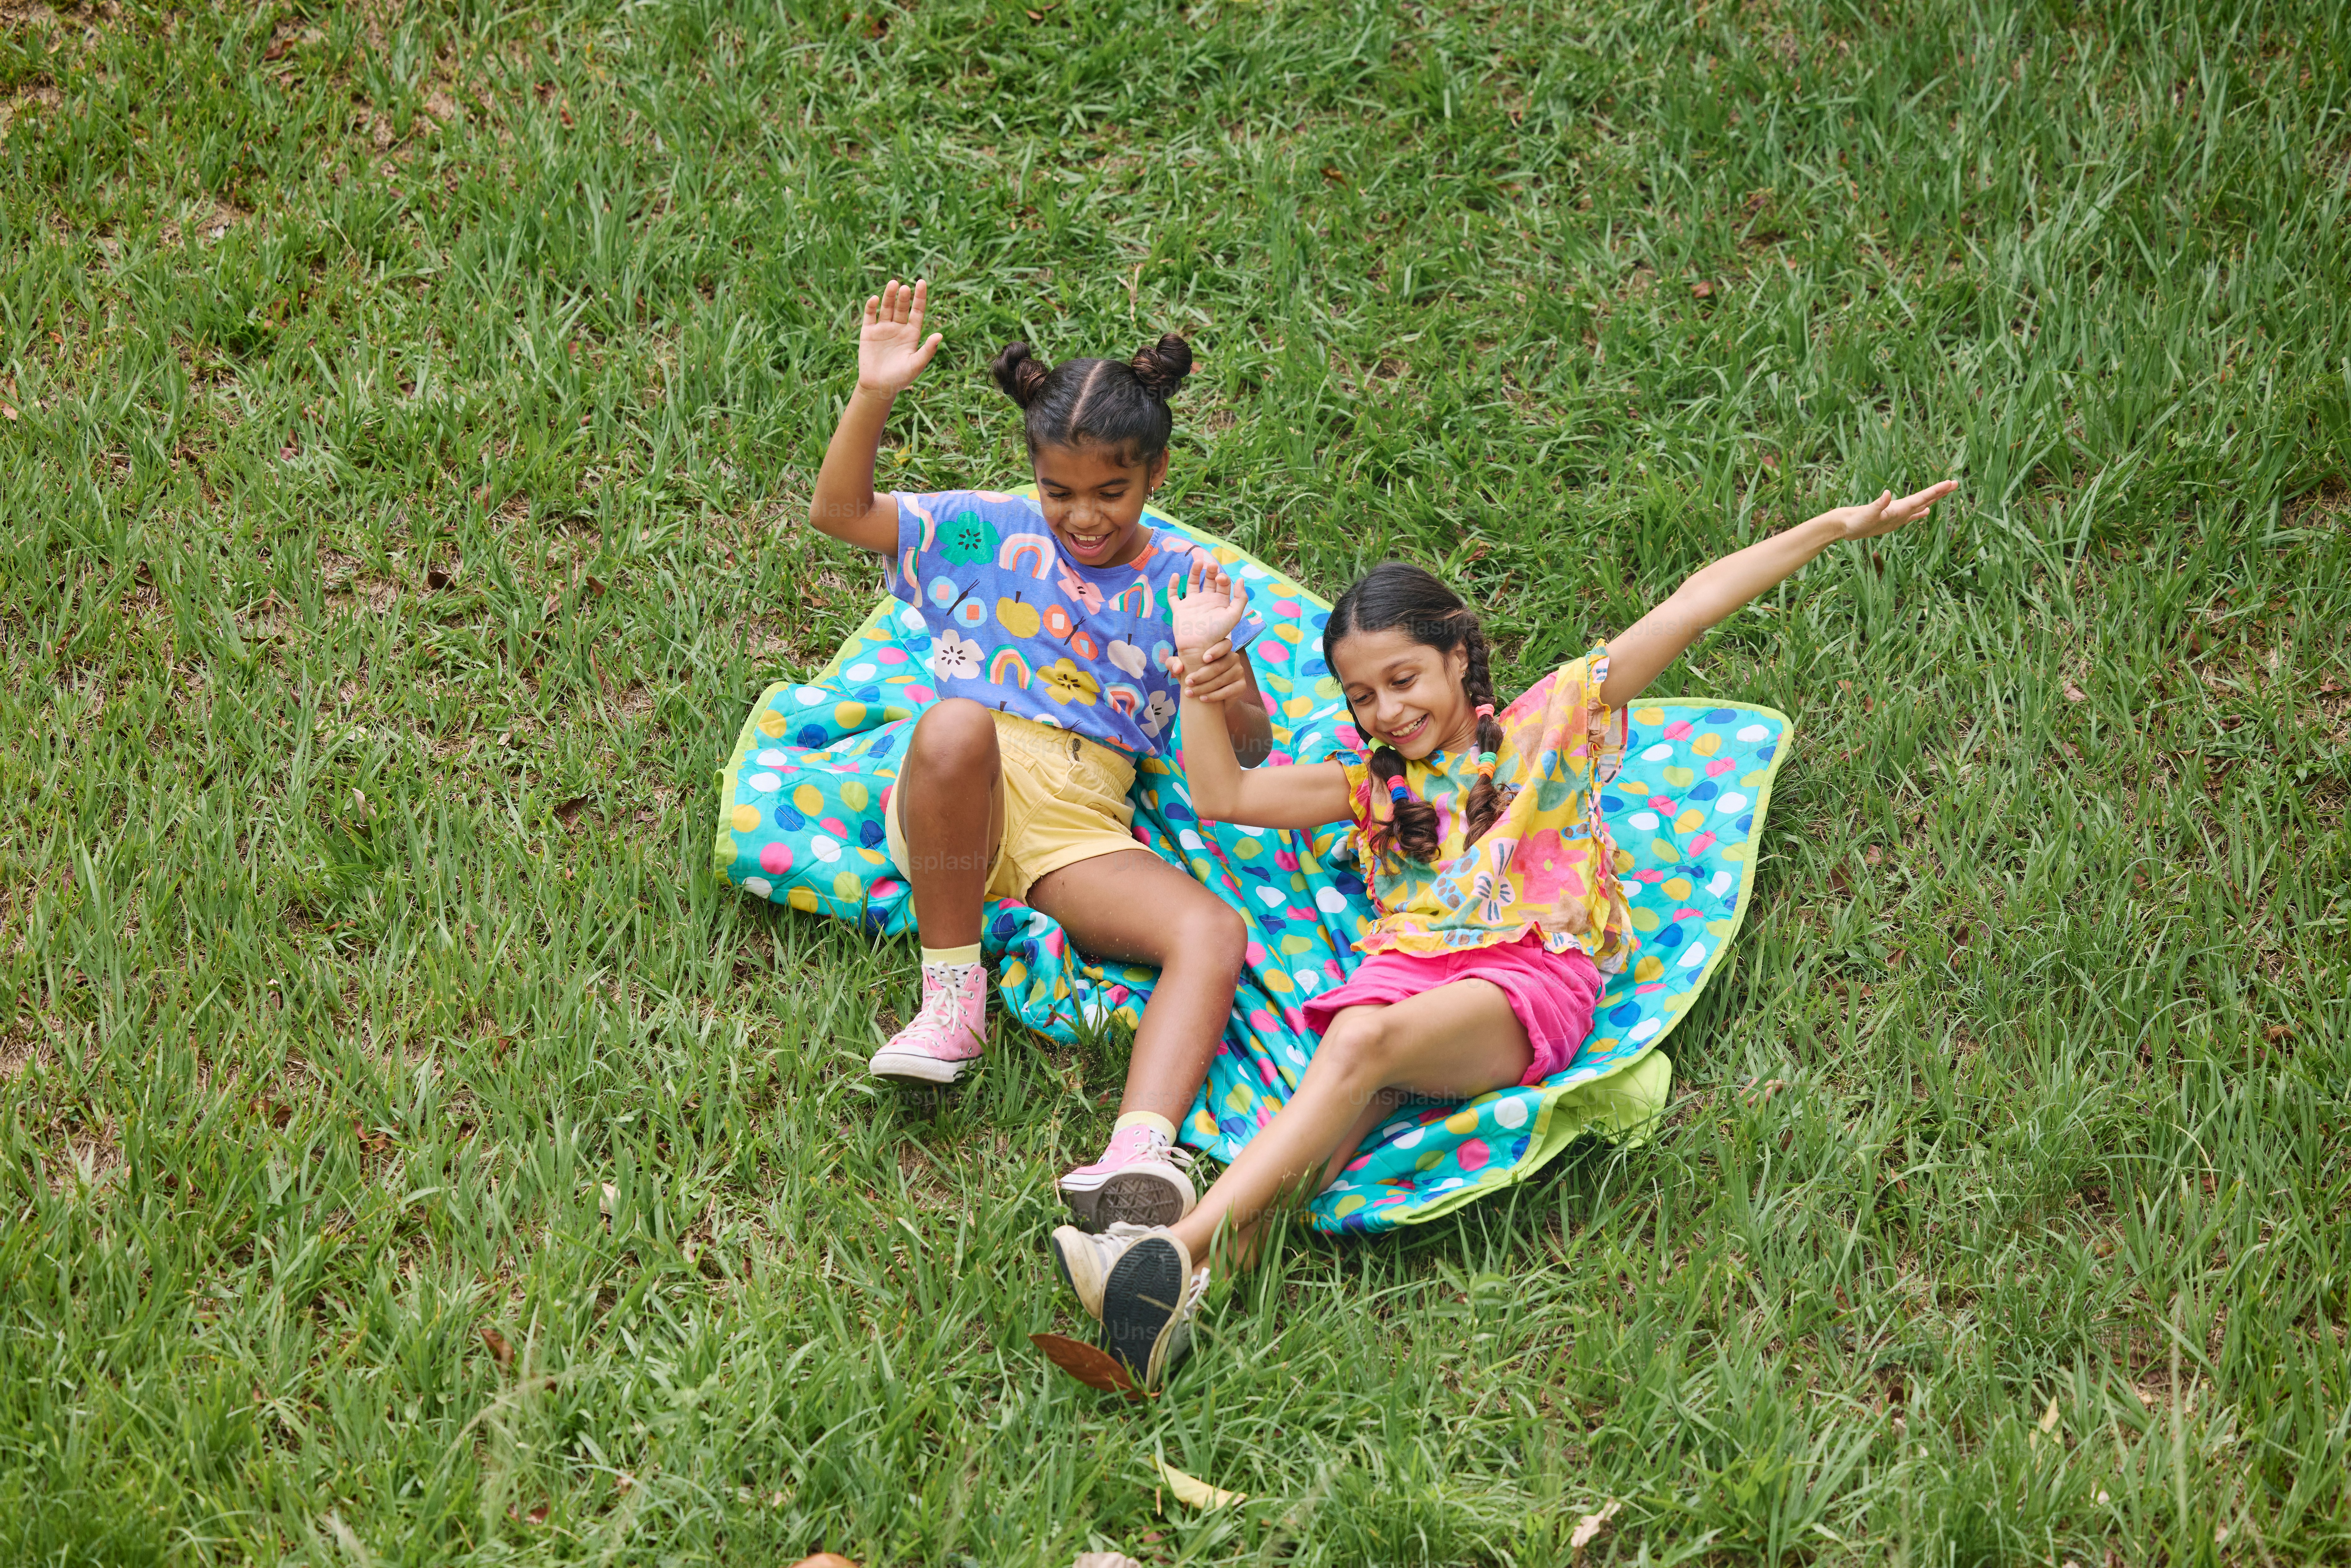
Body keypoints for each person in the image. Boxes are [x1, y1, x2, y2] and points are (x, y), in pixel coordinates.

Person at [1047, 479, 1960, 1388]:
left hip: (1524, 979)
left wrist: (1830, 525)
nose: (1386, 712)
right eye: (1361, 696)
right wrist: (1199, 665)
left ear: (1459, 656)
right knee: (1316, 1138)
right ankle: (1175, 1312)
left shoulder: (1548, 724)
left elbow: (1691, 604)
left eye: (1403, 680)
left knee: (1357, 1043)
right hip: (1404, 980)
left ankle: (1168, 1243)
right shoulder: (1370, 785)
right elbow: (1223, 795)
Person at [807, 278, 1276, 1228]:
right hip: (961, 798)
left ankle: (1137, 1151)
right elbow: (839, 514)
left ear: (1156, 474)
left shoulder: (1189, 580)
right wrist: (874, 393)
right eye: (1059, 492)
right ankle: (952, 1002)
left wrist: (1222, 678)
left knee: (1214, 933)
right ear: (1033, 473)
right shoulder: (987, 528)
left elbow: (1251, 748)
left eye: (1111, 492)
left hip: (1082, 825)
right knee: (955, 723)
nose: (1083, 516)